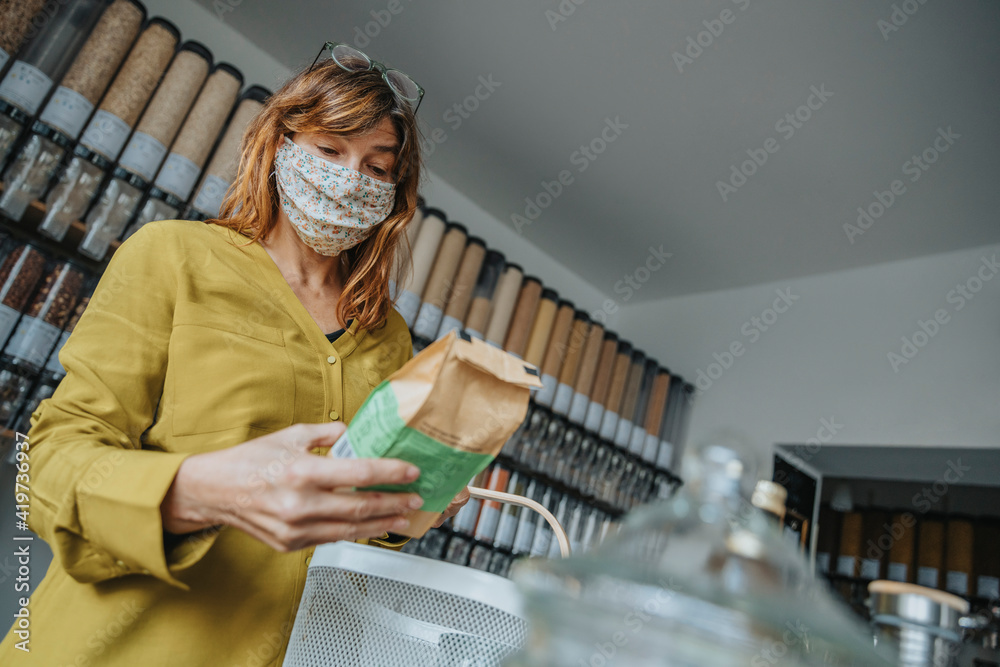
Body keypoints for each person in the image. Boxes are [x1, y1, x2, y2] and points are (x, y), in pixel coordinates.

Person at [0, 42, 467, 665]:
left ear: (395, 195)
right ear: (279, 147)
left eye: (378, 168)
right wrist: (194, 491)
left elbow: (345, 548)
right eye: (329, 151)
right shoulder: (173, 257)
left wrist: (405, 510)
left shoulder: (390, 338)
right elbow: (48, 466)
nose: (350, 178)